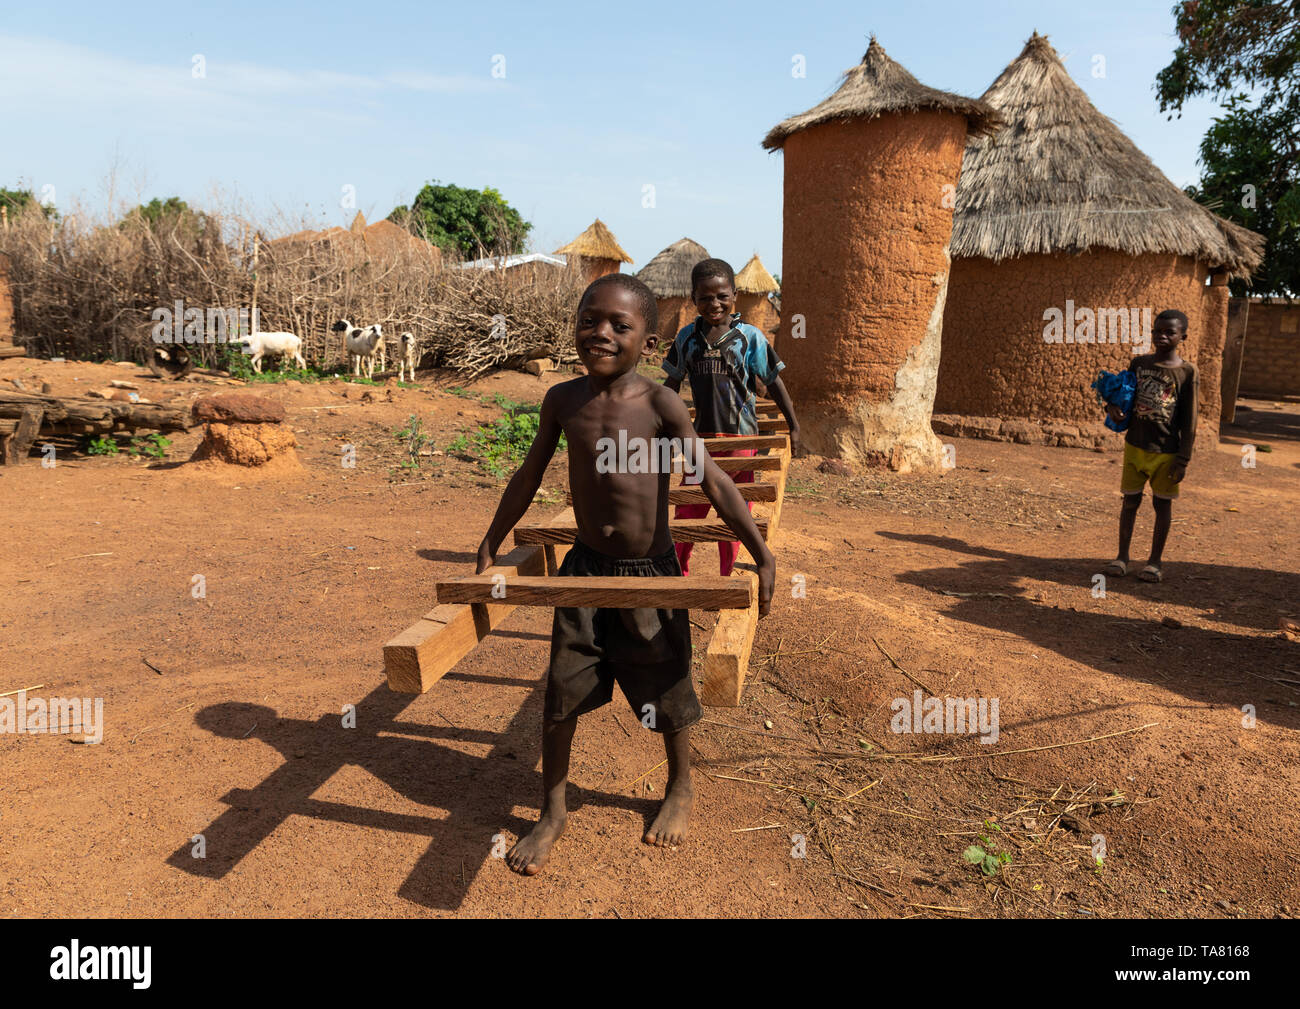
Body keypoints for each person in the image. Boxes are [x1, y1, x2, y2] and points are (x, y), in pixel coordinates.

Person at [473, 273, 775, 875]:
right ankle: (553, 809)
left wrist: (760, 552)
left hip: (650, 571)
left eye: (620, 325)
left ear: (650, 338)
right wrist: (491, 537)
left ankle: (680, 785)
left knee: (667, 685)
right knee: (561, 692)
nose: (601, 333)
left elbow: (710, 478)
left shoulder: (660, 403)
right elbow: (530, 473)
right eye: (590, 320)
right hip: (585, 569)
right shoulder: (562, 401)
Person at [662, 258, 801, 575]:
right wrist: (655, 423)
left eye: (721, 296)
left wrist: (793, 425)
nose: (714, 304)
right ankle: (677, 573)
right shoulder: (687, 338)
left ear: (734, 295)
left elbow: (774, 382)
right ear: (693, 298)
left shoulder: (749, 337)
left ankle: (730, 575)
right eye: (705, 297)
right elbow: (670, 386)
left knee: (736, 512)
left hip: (742, 440)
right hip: (700, 442)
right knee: (689, 508)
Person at [1104, 309, 1198, 584]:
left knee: (1162, 505)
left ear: (1183, 336)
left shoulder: (1187, 372)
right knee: (1130, 502)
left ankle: (1155, 562)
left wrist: (1183, 459)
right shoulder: (1140, 363)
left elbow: (1190, 420)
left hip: (1167, 452)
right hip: (1135, 445)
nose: (1162, 336)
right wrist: (1112, 407)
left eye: (1169, 332)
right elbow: (1124, 396)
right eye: (1158, 331)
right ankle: (1122, 557)